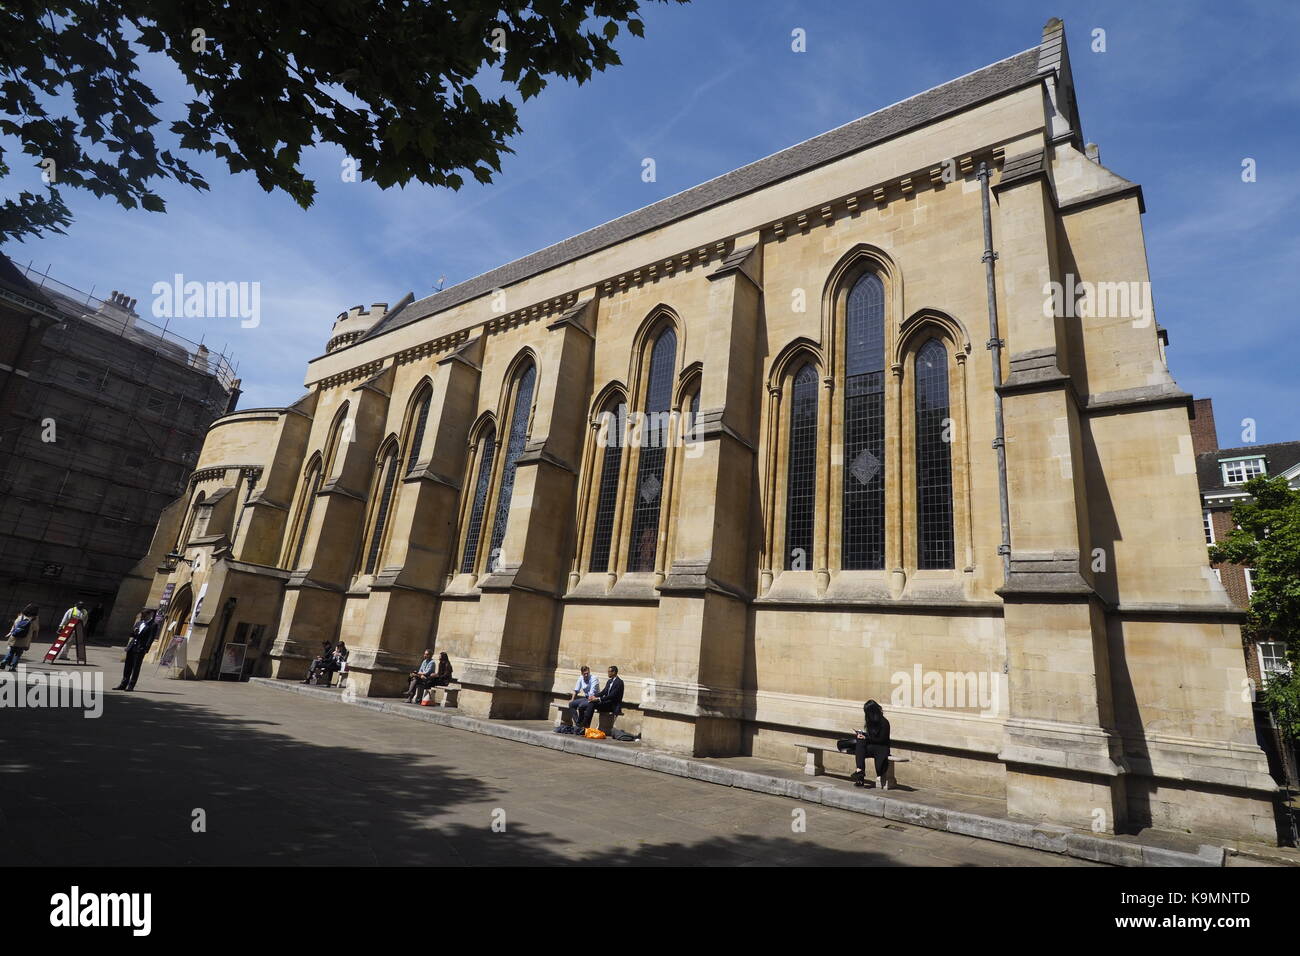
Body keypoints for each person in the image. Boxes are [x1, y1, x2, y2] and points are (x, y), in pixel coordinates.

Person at [116, 608, 160, 691]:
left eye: (144, 615)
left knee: (135, 668)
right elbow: (132, 634)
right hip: (132, 647)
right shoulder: (139, 623)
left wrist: (145, 649)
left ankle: (131, 685)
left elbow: (150, 638)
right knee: (127, 667)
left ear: (149, 615)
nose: (142, 617)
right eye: (142, 615)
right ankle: (123, 684)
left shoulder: (153, 625)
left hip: (140, 648)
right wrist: (134, 632)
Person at [852, 699, 892, 789]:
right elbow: (871, 737)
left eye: (868, 712)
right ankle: (860, 772)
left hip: (881, 748)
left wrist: (866, 738)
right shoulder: (870, 722)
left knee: (861, 743)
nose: (867, 715)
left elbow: (882, 740)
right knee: (860, 742)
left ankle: (860, 774)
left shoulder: (884, 722)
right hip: (872, 745)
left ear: (873, 711)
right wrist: (862, 735)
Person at [574, 665, 623, 732]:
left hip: (612, 705)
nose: (608, 673)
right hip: (606, 703)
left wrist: (598, 699)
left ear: (614, 672)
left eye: (609, 672)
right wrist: (594, 696)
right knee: (591, 703)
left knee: (593, 703)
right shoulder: (609, 681)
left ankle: (584, 725)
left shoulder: (619, 682)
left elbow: (612, 696)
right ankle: (585, 726)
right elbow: (604, 692)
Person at [2, 603, 39, 671]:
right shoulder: (34, 619)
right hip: (24, 639)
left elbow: (14, 625)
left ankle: (4, 661)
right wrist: (35, 635)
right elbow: (35, 628)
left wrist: (10, 633)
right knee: (18, 654)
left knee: (11, 651)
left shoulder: (20, 617)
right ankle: (12, 667)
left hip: (14, 637)